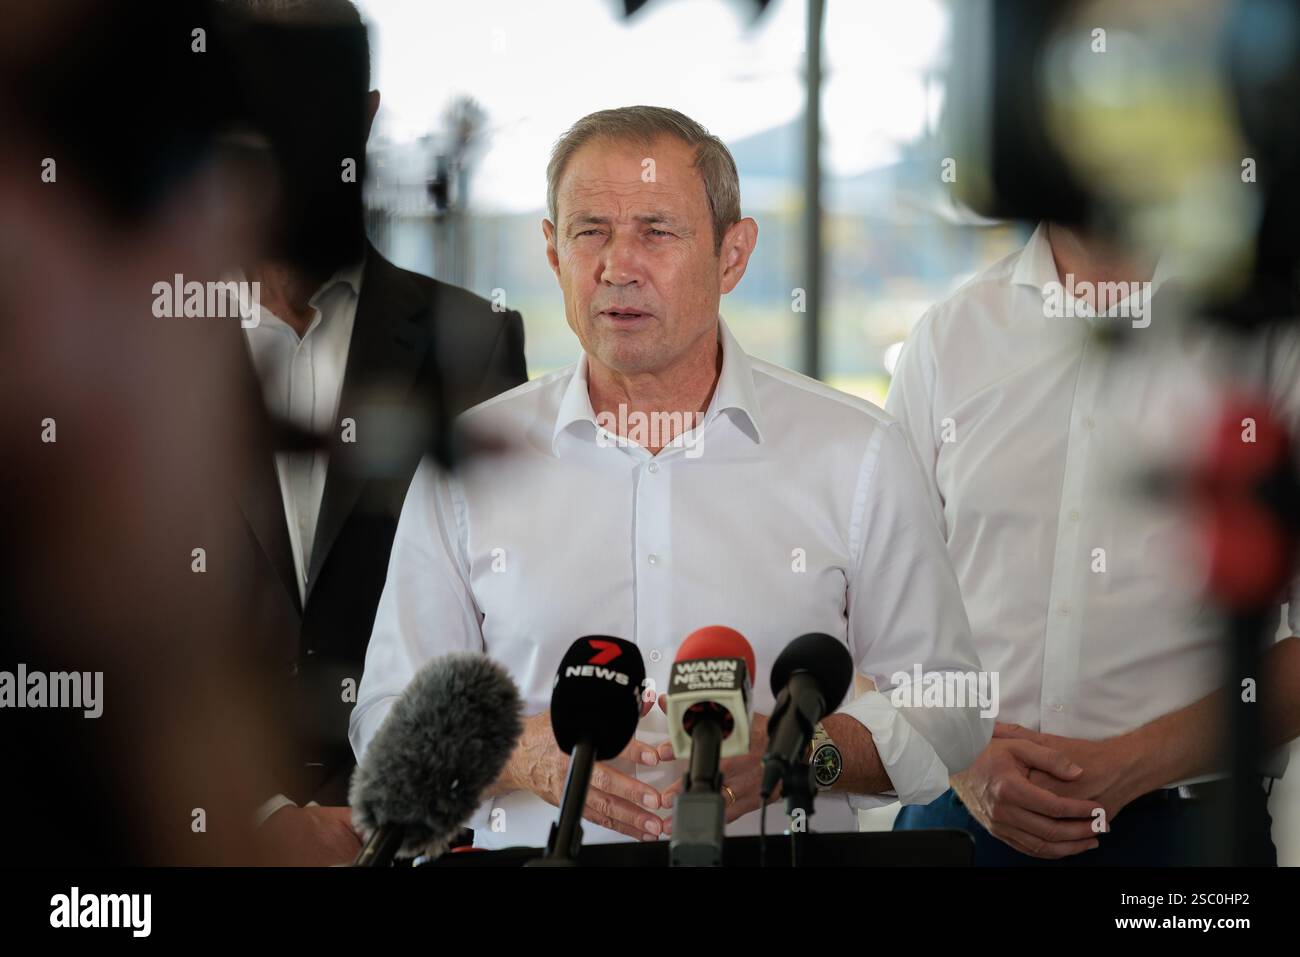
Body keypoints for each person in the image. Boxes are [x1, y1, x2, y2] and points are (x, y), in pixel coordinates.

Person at [351, 106, 991, 849]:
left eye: (657, 231)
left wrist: (799, 760)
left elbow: (950, 711)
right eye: (590, 230)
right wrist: (525, 755)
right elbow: (384, 726)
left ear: (733, 254)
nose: (618, 265)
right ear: (554, 253)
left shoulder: (858, 453)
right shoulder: (471, 461)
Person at [221, 0, 528, 864]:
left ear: (363, 117)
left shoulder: (474, 342)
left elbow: (503, 615)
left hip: (417, 838)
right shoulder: (133, 351)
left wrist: (387, 811)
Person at [888, 219, 1300, 864]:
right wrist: (963, 758)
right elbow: (876, 610)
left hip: (1185, 840)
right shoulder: (949, 336)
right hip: (958, 818)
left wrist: (1133, 763)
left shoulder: (1268, 341)